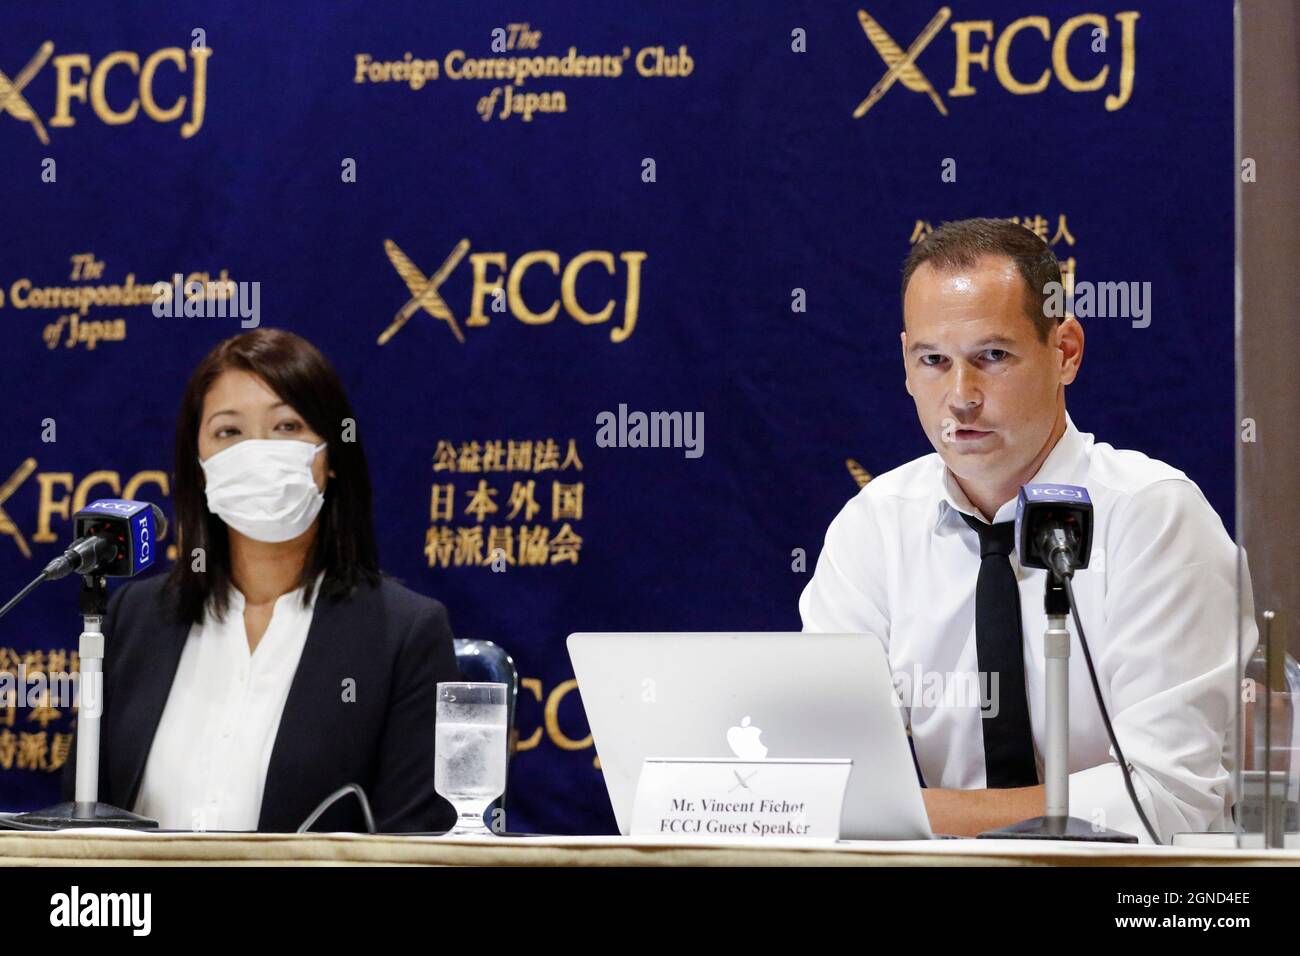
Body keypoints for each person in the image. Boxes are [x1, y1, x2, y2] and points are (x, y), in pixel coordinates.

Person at [800, 218, 1256, 843]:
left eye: (992, 356)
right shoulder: (874, 526)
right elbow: (824, 778)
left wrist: (912, 818)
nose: (960, 397)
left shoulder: (1152, 515)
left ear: (1065, 351)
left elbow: (1165, 803)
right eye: (933, 361)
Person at [63, 328, 460, 832]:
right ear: (199, 461)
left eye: (288, 426)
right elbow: (79, 827)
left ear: (331, 455)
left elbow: (416, 845)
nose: (258, 453)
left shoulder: (404, 633)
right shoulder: (132, 618)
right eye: (229, 432)